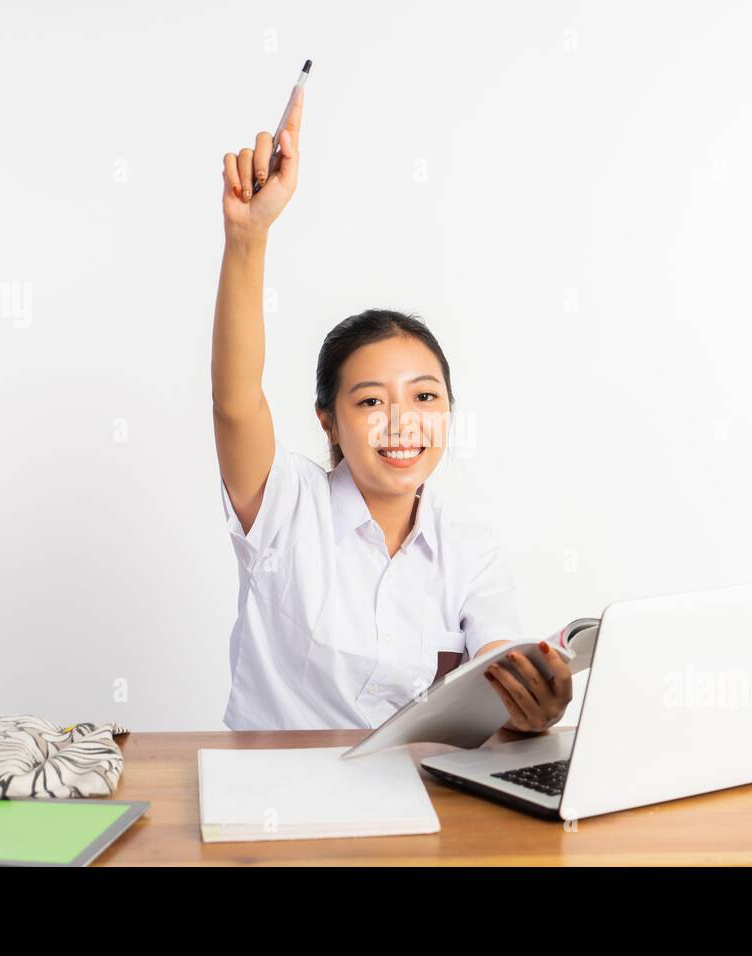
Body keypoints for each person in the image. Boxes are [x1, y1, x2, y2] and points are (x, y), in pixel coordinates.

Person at [212, 83, 571, 736]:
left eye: (425, 396)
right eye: (372, 400)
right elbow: (235, 403)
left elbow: (495, 665)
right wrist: (248, 237)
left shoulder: (469, 553)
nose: (403, 421)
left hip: (406, 803)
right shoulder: (285, 507)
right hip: (271, 802)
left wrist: (530, 704)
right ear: (328, 418)